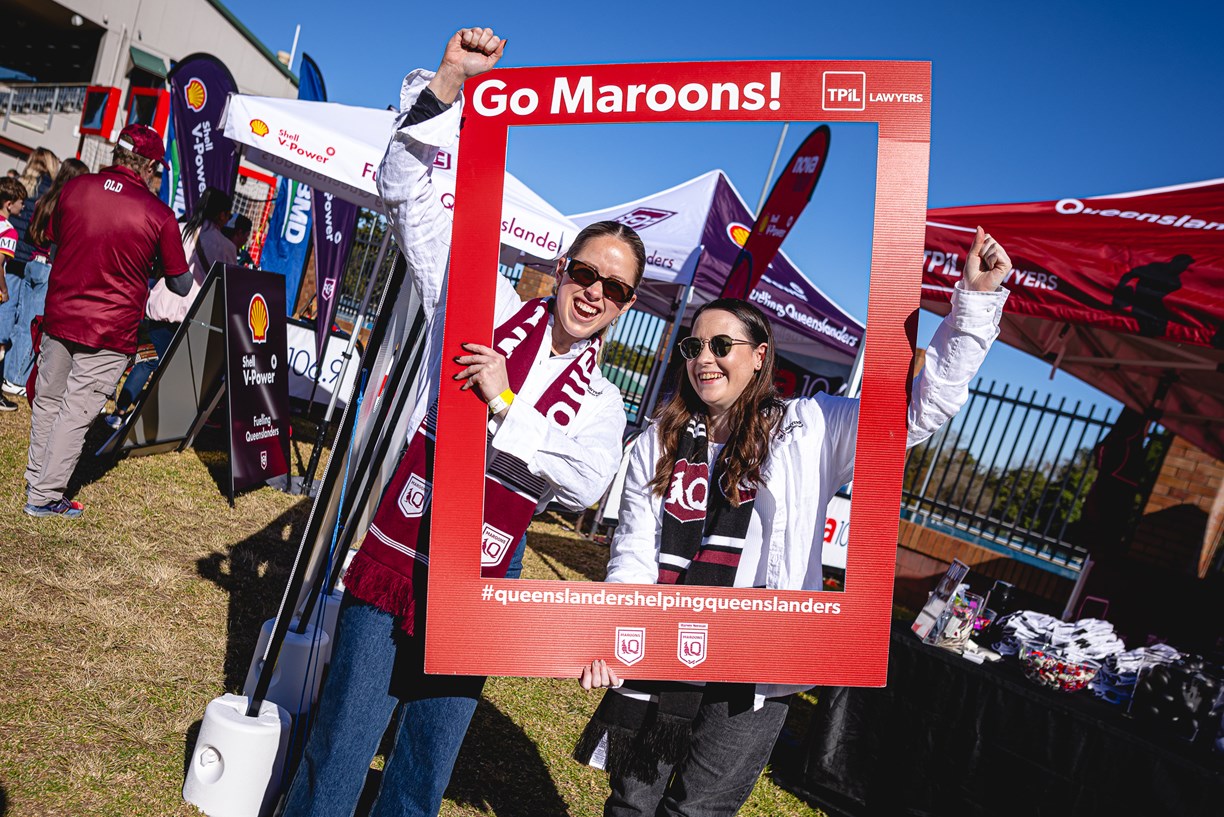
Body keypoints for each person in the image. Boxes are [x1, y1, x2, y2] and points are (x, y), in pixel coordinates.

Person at [281, 27, 643, 817]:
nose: (592, 294)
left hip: (486, 569)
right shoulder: (484, 302)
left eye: (612, 290)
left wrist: (506, 401)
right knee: (343, 735)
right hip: (403, 540)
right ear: (559, 271)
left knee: (426, 757)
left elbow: (583, 479)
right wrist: (447, 85)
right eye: (583, 273)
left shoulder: (606, 400)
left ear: (626, 307)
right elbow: (407, 191)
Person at [575, 228, 1013, 816]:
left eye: (722, 345)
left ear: (759, 357)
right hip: (662, 643)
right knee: (631, 805)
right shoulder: (659, 438)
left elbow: (918, 408)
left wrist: (974, 303)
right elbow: (634, 547)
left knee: (698, 811)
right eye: (693, 347)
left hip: (758, 657)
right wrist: (619, 633)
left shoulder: (811, 428)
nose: (704, 359)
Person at [23, 124, 193, 518]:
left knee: (49, 401)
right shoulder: (158, 213)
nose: (158, 177)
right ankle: (44, 495)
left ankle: (37, 479)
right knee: (77, 411)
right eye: (159, 170)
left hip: (61, 313)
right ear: (149, 165)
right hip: (110, 329)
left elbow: (53, 238)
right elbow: (182, 285)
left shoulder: (74, 189)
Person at [106, 187, 237, 428]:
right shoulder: (227, 247)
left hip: (160, 305)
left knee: (147, 360)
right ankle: (160, 419)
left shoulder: (178, 230)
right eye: (228, 214)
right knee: (180, 371)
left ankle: (120, 412)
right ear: (221, 215)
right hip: (194, 316)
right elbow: (226, 286)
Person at [7, 157, 88, 401]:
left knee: (22, 322)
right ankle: (16, 378)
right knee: (32, 326)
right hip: (47, 266)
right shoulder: (65, 204)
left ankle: (11, 374)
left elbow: (33, 231)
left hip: (33, 264)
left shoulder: (45, 199)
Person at [0, 148, 59, 398]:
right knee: (24, 320)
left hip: (12, 257)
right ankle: (13, 373)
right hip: (33, 258)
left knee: (6, 310)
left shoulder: (19, 185)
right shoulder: (50, 191)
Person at [0, 175, 29, 411]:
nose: (24, 207)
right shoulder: (9, 231)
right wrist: (4, 289)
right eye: (21, 202)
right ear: (9, 204)